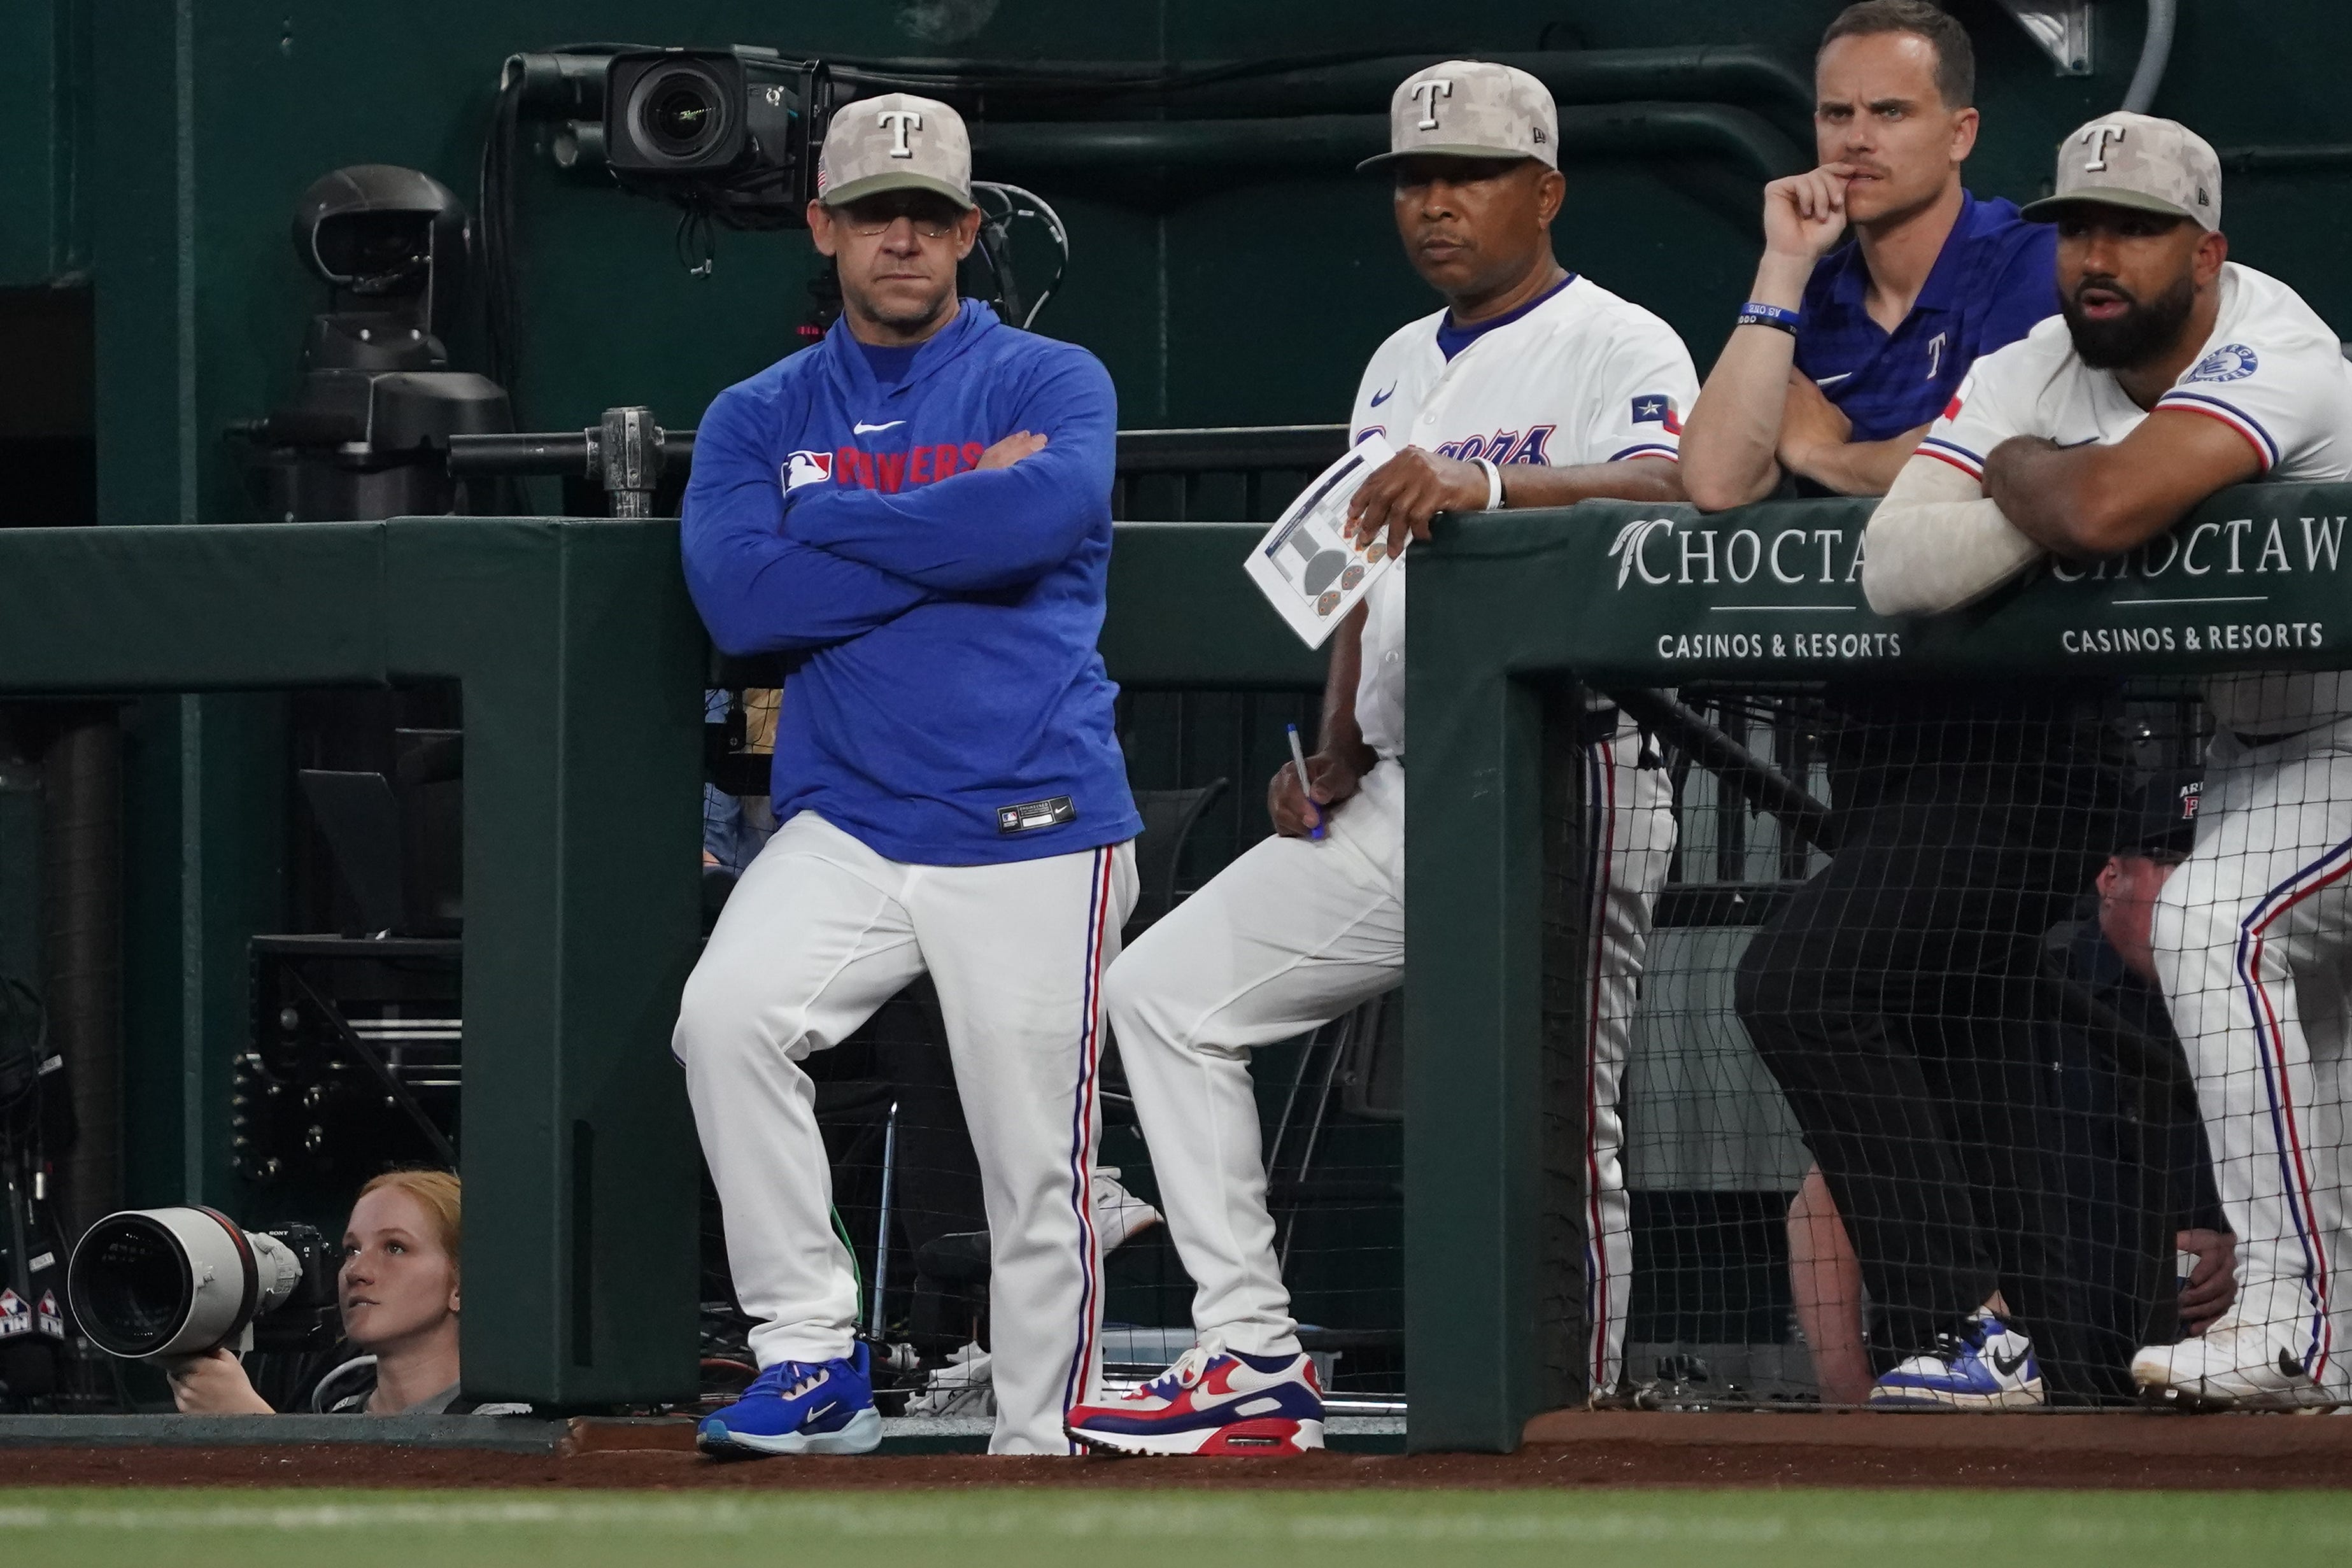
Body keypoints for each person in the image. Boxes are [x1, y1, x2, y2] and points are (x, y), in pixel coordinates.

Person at [1066, 60, 1695, 1455]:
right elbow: (1354, 571)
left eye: (1466, 175)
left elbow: (1673, 487)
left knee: (1556, 1113)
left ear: (1545, 189)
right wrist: (1336, 739)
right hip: (1405, 783)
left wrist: (1488, 481)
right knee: (1162, 993)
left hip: (1565, 768)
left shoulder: (1618, 339)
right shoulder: (1397, 359)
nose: (1433, 203)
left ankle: (1576, 1420)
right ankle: (1250, 1357)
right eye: (1413, 179)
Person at [674, 93, 1140, 1458]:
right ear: (822, 227)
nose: (901, 240)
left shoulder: (1051, 381)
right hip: (852, 821)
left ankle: (1039, 1443)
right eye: (874, 215)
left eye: (926, 217)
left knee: (1031, 1161)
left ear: (967, 231)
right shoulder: (756, 412)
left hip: (1035, 817)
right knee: (725, 1019)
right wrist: (953, 537)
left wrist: (830, 515)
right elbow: (742, 600)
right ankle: (810, 1354)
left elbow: (1039, 518)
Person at [1864, 111, 2352, 1411]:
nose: (2095, 255)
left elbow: (2103, 507)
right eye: (2076, 226)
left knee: (2209, 922)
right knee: (2322, 1040)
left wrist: (2018, 471)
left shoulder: (2275, 347)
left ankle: (2287, 1317)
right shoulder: (2034, 361)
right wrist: (2056, 478)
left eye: (2133, 229)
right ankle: (2338, 1346)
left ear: (2204, 253)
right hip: (2263, 747)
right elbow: (1891, 562)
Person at [1785, 774, 2235, 1405]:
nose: (2199, 886)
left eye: (2216, 862)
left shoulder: (2249, 1015)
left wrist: (2240, 1257)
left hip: (2151, 1398)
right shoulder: (2002, 988)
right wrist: (1845, 1385)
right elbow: (1827, 1198)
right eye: (2173, 861)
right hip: (1975, 1388)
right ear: (2110, 875)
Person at [1680, 1, 2055, 509]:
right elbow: (1715, 483)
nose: (1856, 140)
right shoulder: (1808, 296)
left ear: (1960, 135)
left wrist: (1818, 454)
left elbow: (1991, 456)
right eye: (1838, 114)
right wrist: (1783, 264)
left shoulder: (2030, 261)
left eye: (1890, 112)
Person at [164, 1169, 507, 1415]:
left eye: (395, 1248)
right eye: (352, 1250)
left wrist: (253, 1427)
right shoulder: (333, 1408)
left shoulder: (504, 1424)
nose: (356, 1271)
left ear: (462, 1285)